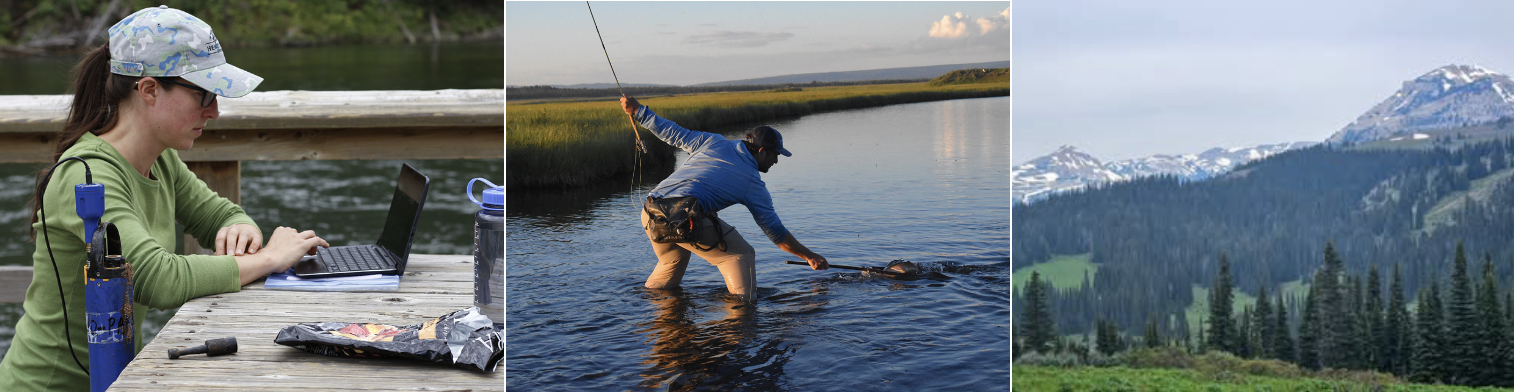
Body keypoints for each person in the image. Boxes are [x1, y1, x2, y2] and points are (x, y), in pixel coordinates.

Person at [0, 6, 329, 390]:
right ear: (150, 90)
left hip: (118, 378)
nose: (216, 111)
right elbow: (154, 278)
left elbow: (218, 215)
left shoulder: (160, 158)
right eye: (204, 93)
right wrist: (269, 259)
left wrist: (239, 227)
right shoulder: (86, 174)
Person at [622, 95, 828, 303]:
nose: (776, 161)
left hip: (650, 212)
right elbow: (775, 232)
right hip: (682, 218)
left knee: (672, 262)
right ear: (762, 151)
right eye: (776, 155)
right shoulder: (752, 183)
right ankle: (740, 317)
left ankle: (650, 307)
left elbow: (673, 133)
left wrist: (639, 112)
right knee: (742, 255)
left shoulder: (714, 141)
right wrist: (810, 256)